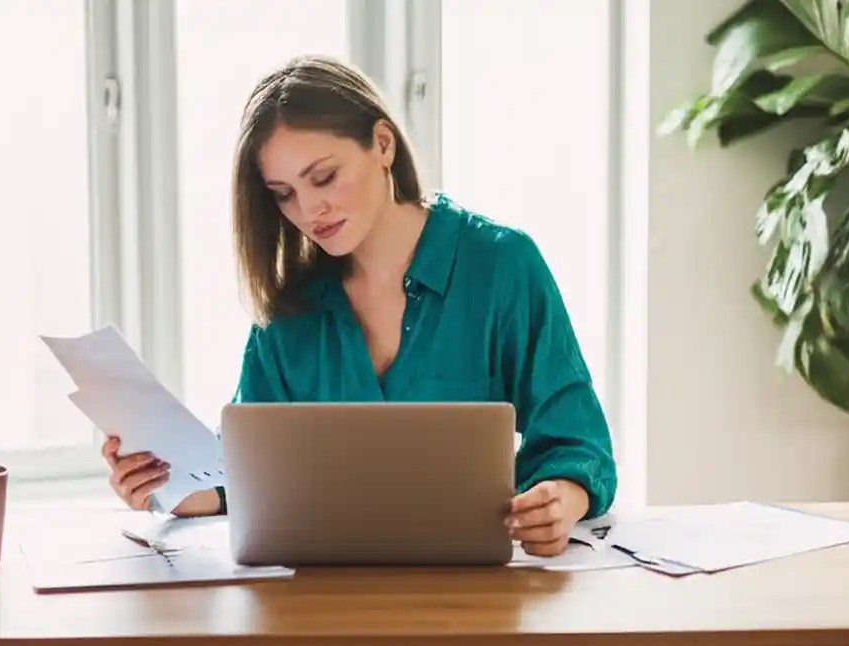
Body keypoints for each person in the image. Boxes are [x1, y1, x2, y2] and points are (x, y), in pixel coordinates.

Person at [103, 55, 616, 557]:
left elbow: (577, 440)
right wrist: (165, 488)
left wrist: (560, 502)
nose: (308, 210)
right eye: (283, 193)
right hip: (319, 610)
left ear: (383, 144)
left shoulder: (502, 266)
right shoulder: (288, 312)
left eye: (323, 177)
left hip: (477, 601)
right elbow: (250, 474)